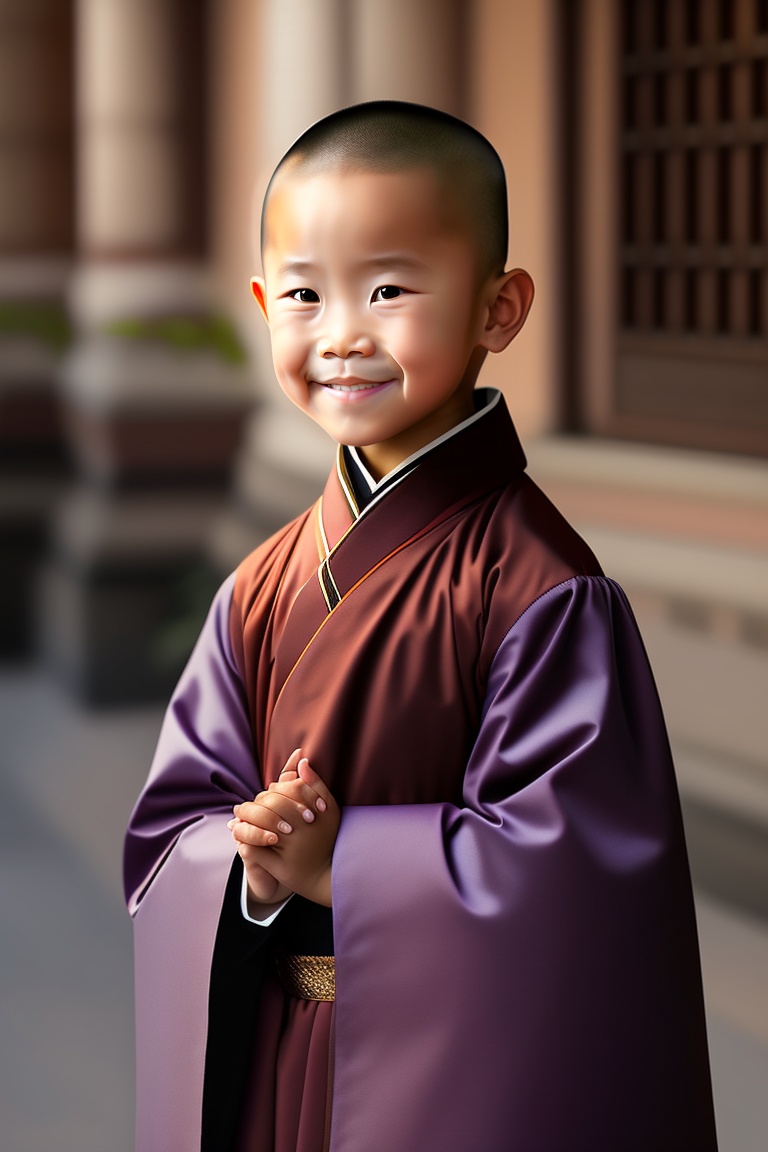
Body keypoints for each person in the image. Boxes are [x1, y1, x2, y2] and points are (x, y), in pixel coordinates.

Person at [124, 101, 718, 1152]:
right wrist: (253, 870)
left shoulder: (540, 588)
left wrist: (344, 861)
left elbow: (573, 877)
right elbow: (174, 825)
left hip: (445, 1087)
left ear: (501, 308)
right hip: (273, 1050)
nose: (342, 332)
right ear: (264, 306)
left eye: (390, 290)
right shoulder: (258, 588)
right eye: (304, 294)